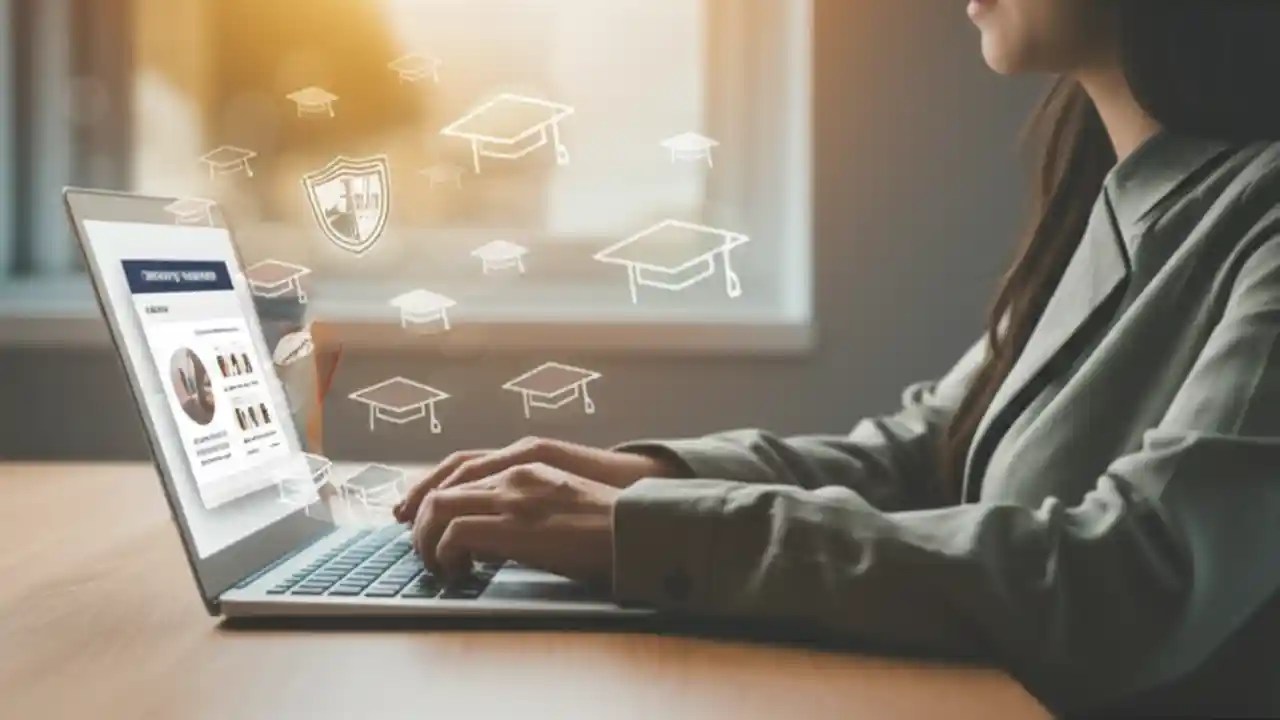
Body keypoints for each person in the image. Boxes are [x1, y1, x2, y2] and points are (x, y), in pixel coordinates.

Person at [392, 1, 1280, 715]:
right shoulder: (1118, 192)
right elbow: (930, 449)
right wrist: (640, 478)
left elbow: (1138, 576)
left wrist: (659, 532)